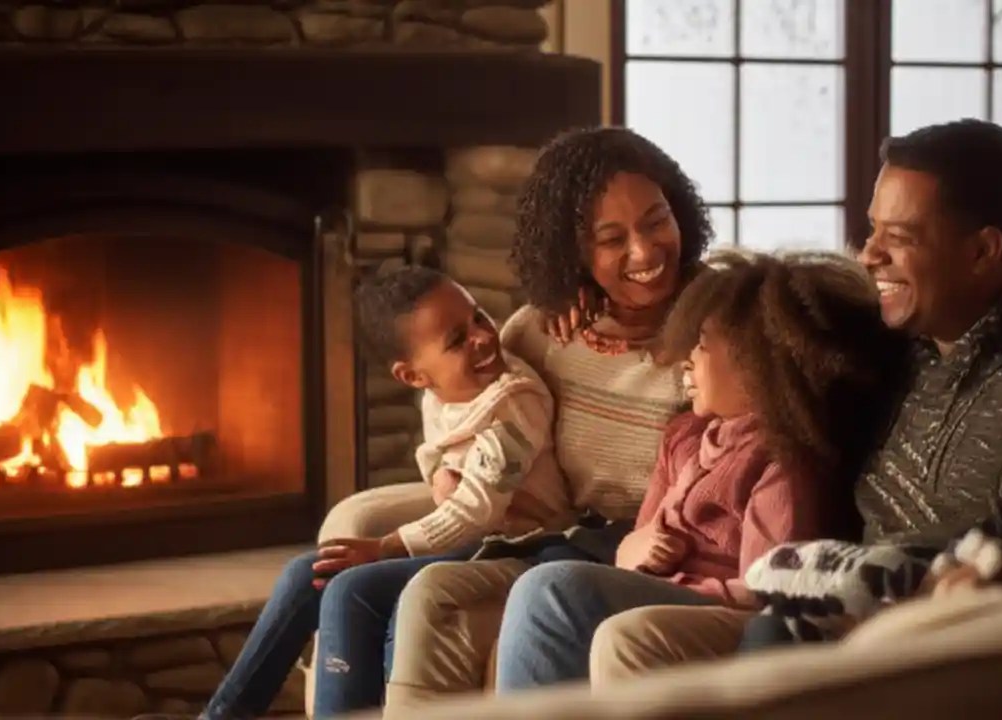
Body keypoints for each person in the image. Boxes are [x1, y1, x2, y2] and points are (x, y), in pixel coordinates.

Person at [585, 118, 1002, 685]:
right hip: (835, 609)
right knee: (608, 621)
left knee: (768, 643)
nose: (870, 254)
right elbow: (752, 333)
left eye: (899, 239)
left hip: (978, 642)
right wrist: (591, 300)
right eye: (873, 230)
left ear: (983, 252)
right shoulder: (893, 348)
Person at [381, 126, 713, 710]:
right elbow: (474, 414)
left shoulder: (722, 328)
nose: (645, 252)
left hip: (654, 550)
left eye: (658, 220)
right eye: (611, 239)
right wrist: (441, 475)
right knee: (423, 592)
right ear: (574, 253)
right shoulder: (544, 329)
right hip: (565, 539)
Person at [491, 249, 908, 691]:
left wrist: (677, 580)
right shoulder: (686, 435)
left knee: (554, 588)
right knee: (546, 585)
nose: (687, 359)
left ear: (758, 368)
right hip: (659, 589)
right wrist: (632, 550)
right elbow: (642, 533)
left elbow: (767, 585)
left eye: (703, 345)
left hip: (716, 606)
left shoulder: (784, 461)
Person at [200, 266, 572, 718]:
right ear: (414, 377)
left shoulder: (515, 403)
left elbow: (475, 511)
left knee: (351, 587)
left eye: (477, 317)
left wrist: (384, 546)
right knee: (310, 571)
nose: (482, 336)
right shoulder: (445, 395)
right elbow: (434, 453)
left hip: (525, 542)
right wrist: (439, 477)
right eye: (457, 340)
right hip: (477, 538)